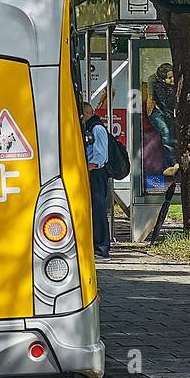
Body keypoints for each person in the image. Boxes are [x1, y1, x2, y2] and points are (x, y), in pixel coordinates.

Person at [82, 101, 111, 259]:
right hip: (91, 171)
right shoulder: (89, 127)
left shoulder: (97, 128)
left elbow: (100, 156)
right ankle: (94, 244)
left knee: (98, 208)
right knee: (92, 208)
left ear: (86, 114)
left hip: (97, 172)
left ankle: (102, 246)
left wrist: (86, 168)